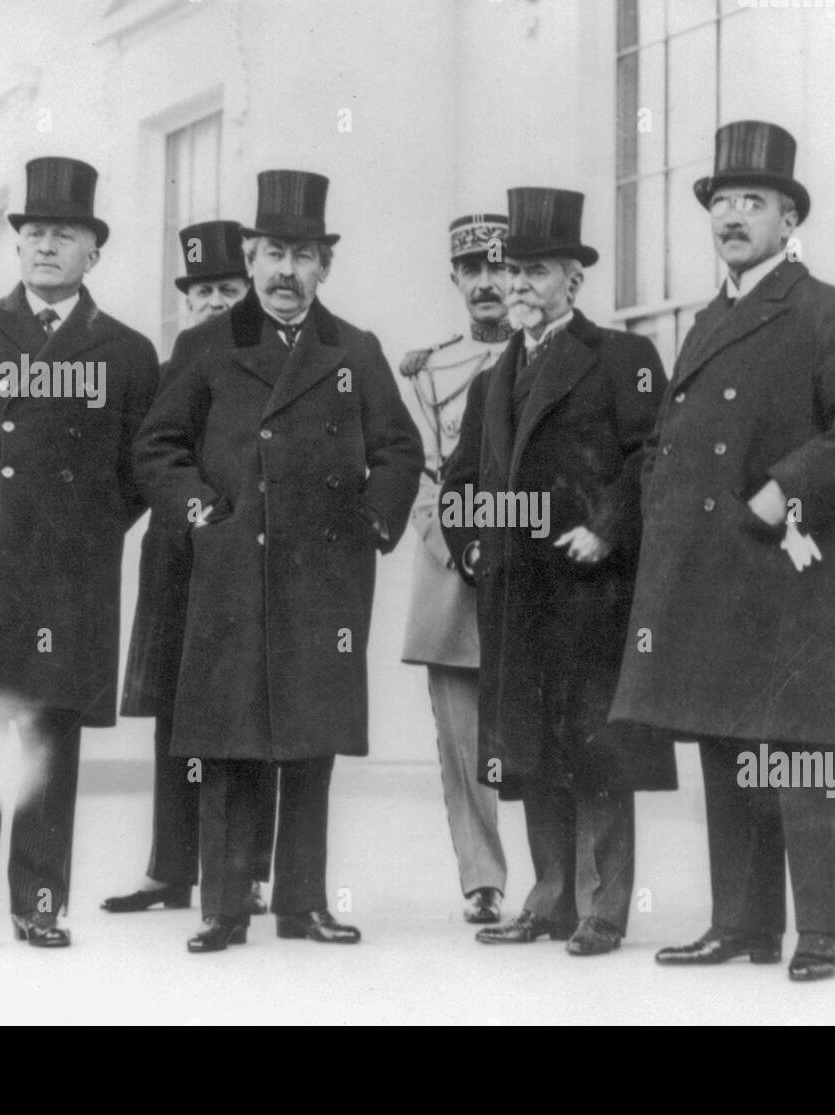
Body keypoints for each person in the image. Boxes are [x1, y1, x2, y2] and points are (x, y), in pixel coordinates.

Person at [610, 121, 835, 981]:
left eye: (753, 202)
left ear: (789, 217)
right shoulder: (709, 321)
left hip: (791, 568)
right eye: (722, 201)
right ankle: (740, 924)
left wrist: (783, 486)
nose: (733, 216)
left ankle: (818, 932)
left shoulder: (827, 310)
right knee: (724, 743)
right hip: (711, 569)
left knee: (801, 750)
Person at [136, 169, 423, 953]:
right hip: (231, 567)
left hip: (323, 577)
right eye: (272, 254)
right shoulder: (205, 345)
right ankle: (224, 909)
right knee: (228, 741)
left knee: (310, 740)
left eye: (303, 255)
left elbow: (400, 448)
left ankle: (302, 902)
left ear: (325, 265)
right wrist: (200, 512)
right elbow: (156, 445)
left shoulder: (354, 349)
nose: (286, 272)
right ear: (251, 257)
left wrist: (370, 519)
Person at [0, 157, 160, 953]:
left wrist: (82, 528)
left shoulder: (125, 349)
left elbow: (139, 468)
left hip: (67, 567)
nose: (47, 245)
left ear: (93, 251)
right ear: (18, 246)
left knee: (50, 731)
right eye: (35, 232)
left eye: (65, 233)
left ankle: (41, 903)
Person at [441, 187, 676, 958]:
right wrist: (474, 543)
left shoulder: (622, 360)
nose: (516, 287)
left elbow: (653, 454)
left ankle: (604, 907)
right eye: (510, 273)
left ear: (574, 282)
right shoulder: (490, 380)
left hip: (590, 593)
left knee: (597, 749)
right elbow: (459, 481)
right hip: (516, 593)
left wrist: (606, 531)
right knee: (532, 748)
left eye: (535, 273)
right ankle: (549, 898)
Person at [103, 220, 270, 916]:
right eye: (199, 290)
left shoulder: (269, 359)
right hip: (176, 562)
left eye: (226, 288)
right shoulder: (177, 362)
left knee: (248, 715)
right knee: (174, 716)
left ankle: (249, 875)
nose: (210, 302)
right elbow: (142, 454)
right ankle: (170, 870)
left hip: (245, 562)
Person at [399, 213, 512, 925]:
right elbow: (420, 474)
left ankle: (559, 881)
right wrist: (451, 545)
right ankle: (483, 878)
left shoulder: (543, 353)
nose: (486, 283)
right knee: (461, 733)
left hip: (530, 559)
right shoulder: (428, 369)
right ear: (455, 280)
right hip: (453, 567)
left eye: (498, 268)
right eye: (471, 271)